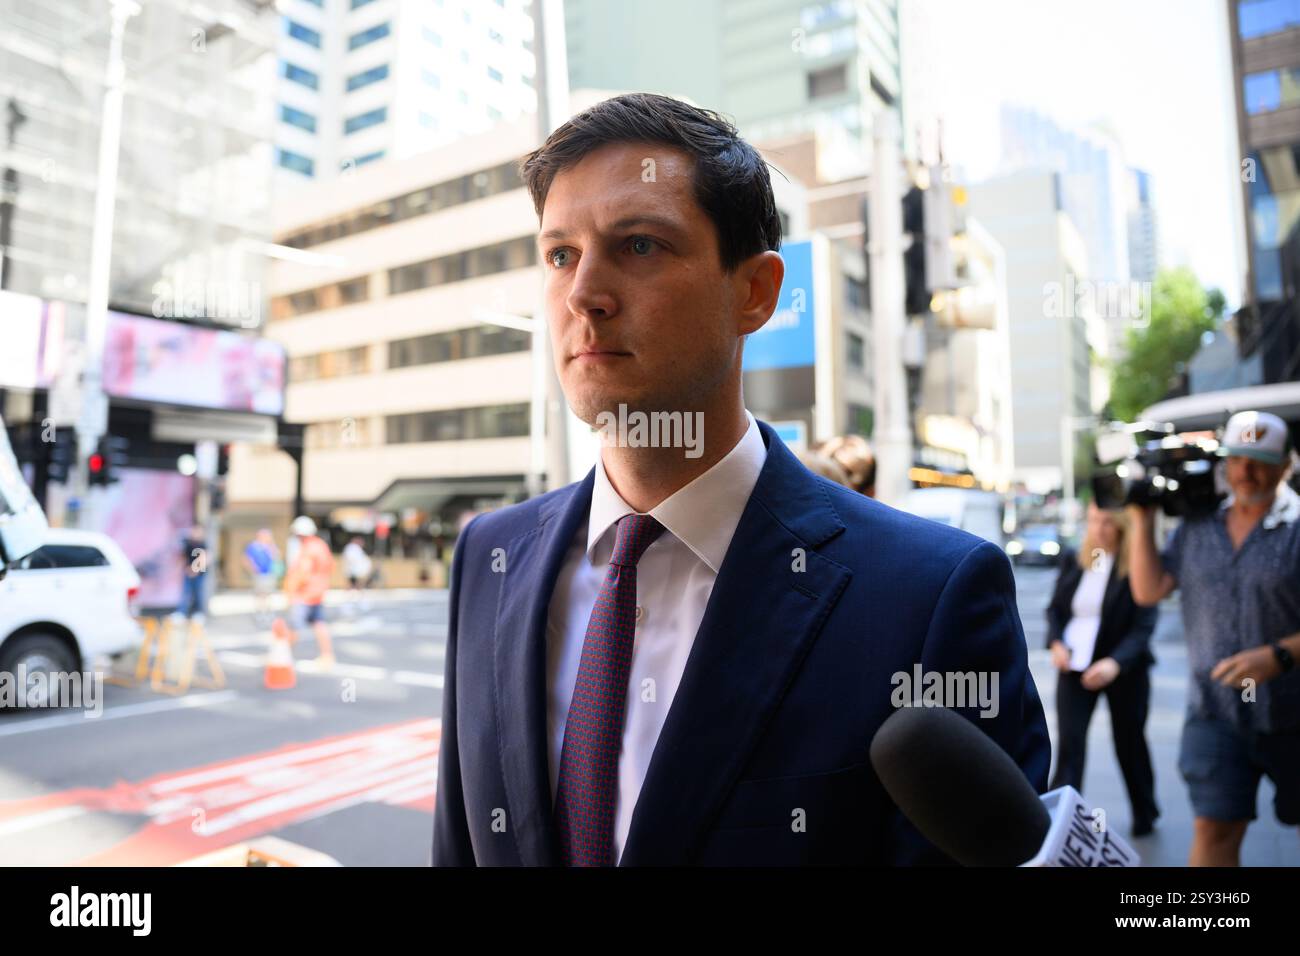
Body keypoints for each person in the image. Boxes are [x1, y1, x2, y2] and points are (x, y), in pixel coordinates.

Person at [431, 93, 1050, 867]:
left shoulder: (930, 599)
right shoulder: (490, 558)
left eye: (641, 246)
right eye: (560, 254)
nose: (584, 292)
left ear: (754, 292)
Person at [1128, 410, 1300, 866]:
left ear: (1287, 465)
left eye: (1261, 461)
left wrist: (1281, 655)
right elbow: (1148, 590)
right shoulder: (1197, 525)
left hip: (1292, 712)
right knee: (1213, 829)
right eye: (1238, 459)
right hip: (1214, 712)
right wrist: (1141, 519)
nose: (1246, 472)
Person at [1046, 503, 1160, 836]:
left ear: (1123, 526)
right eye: (1094, 520)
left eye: (1108, 522)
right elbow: (1055, 609)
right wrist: (1056, 644)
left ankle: (1145, 811)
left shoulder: (1136, 563)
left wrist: (1115, 663)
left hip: (1123, 669)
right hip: (1074, 665)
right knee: (1070, 743)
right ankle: (1059, 819)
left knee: (1130, 740)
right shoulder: (1075, 559)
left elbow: (1144, 625)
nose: (1099, 528)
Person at [283, 515, 336, 670]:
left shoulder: (309, 548)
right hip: (318, 592)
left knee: (294, 625)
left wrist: (292, 590)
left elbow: (303, 572)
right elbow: (330, 567)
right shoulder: (321, 546)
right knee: (319, 623)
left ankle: (284, 655)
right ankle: (327, 655)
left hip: (304, 594)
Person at [243, 528, 280, 625]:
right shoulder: (253, 546)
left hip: (269, 574)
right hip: (259, 575)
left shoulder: (269, 546)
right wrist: (253, 569)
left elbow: (276, 557)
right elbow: (246, 559)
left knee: (268, 594)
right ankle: (260, 614)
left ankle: (268, 613)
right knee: (260, 594)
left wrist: (271, 546)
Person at [177, 523, 208, 622]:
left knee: (198, 594)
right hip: (188, 572)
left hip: (199, 574)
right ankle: (182, 613)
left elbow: (205, 559)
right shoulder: (188, 544)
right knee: (186, 593)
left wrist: (195, 570)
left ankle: (198, 613)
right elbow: (183, 557)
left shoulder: (203, 544)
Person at [342, 535, 373, 611]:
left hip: (357, 571)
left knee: (357, 587)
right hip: (354, 571)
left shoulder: (355, 549)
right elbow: (353, 560)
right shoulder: (351, 548)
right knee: (354, 587)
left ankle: (357, 603)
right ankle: (350, 604)